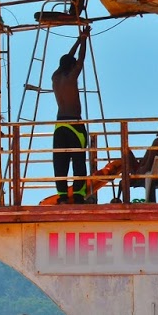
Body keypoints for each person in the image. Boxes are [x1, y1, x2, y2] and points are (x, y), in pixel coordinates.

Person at [49, 26, 91, 203]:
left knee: (60, 162)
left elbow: (68, 58)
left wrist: (78, 39)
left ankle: (63, 196)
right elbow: (80, 59)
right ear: (71, 65)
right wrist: (84, 40)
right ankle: (79, 195)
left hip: (59, 125)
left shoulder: (56, 76)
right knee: (79, 160)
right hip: (74, 124)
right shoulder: (72, 76)